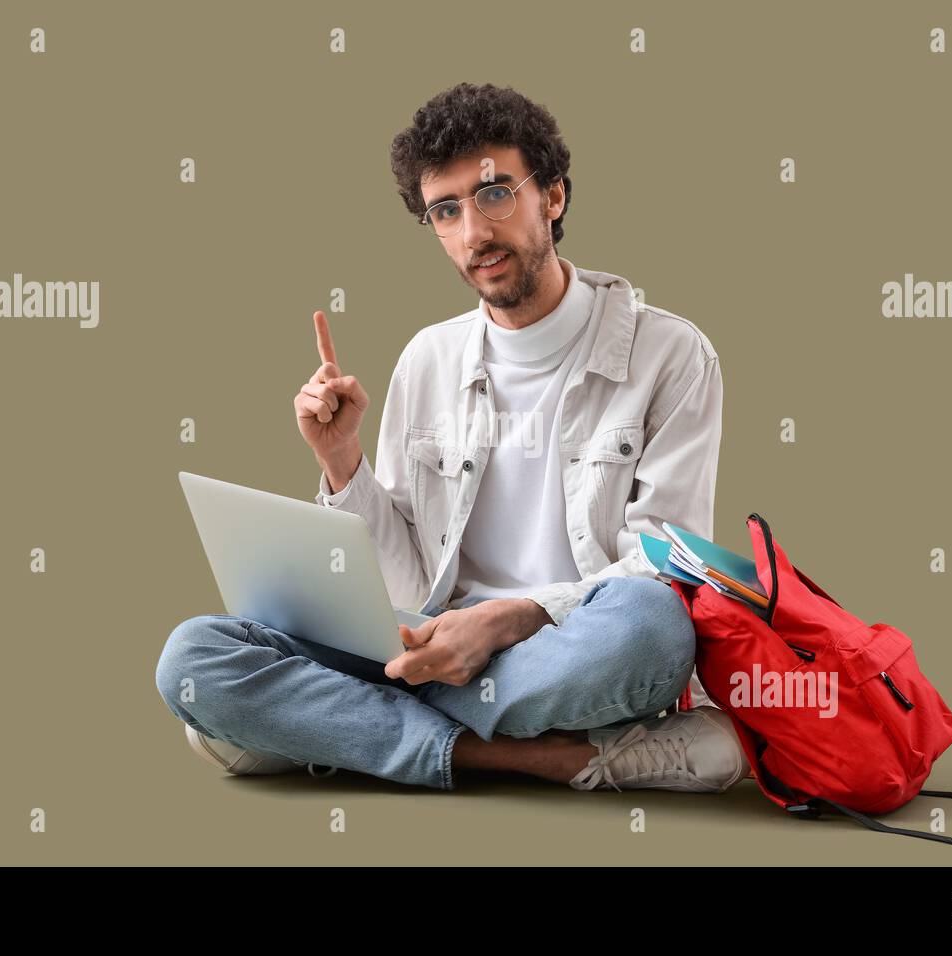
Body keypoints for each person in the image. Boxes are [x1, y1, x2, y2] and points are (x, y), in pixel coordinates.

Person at [155, 82, 749, 793]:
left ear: (553, 196)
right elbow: (406, 585)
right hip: (427, 644)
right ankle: (536, 756)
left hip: (563, 648)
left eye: (495, 194)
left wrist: (504, 623)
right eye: (446, 210)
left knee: (652, 628)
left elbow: (667, 565)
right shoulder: (427, 359)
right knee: (196, 658)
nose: (473, 233)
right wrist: (343, 463)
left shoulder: (672, 355)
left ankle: (328, 728)